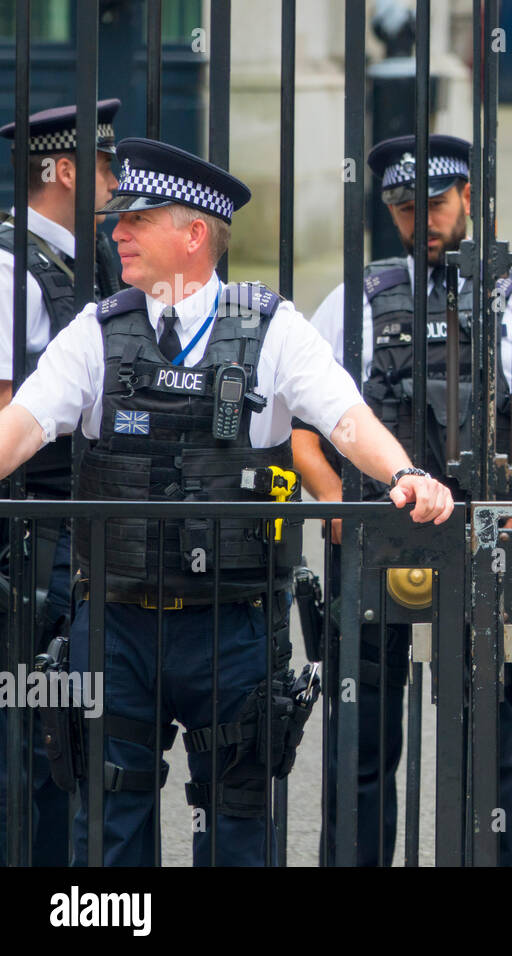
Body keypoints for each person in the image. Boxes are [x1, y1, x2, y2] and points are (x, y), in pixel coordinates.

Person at [0, 137, 455, 866]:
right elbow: (18, 431)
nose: (114, 229)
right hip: (115, 621)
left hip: (234, 628)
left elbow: (345, 417)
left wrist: (403, 475)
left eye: (136, 218)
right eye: (117, 217)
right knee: (111, 826)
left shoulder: (272, 328)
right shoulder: (96, 331)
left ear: (193, 234)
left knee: (241, 828)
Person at [293, 133, 512, 866]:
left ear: (468, 198)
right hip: (375, 552)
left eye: (433, 204)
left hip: (480, 558)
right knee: (360, 752)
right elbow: (300, 432)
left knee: (485, 751)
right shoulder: (356, 302)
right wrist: (335, 505)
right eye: (402, 207)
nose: (419, 220)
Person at [0, 98, 122, 866]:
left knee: (81, 734)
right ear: (66, 170)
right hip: (33, 532)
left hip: (86, 530)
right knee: (34, 735)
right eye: (107, 169)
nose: (118, 184)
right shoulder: (10, 267)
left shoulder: (96, 259)